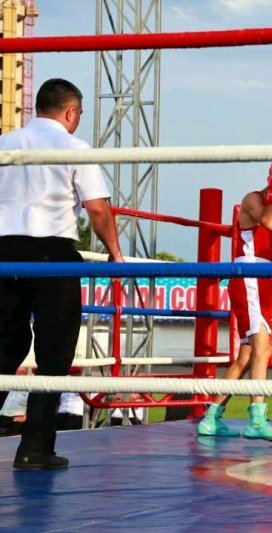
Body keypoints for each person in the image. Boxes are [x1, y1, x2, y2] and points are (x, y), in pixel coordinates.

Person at [0, 79, 123, 470]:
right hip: (52, 253)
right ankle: (35, 448)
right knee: (54, 352)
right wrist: (116, 256)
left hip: (4, 253)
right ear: (71, 112)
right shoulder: (73, 147)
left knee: (4, 346)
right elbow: (98, 210)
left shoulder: (5, 143)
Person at [197, 160, 272, 440]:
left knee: (247, 356)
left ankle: (211, 417)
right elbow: (269, 221)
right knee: (262, 348)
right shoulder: (252, 199)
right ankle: (257, 419)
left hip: (261, 279)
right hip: (249, 275)